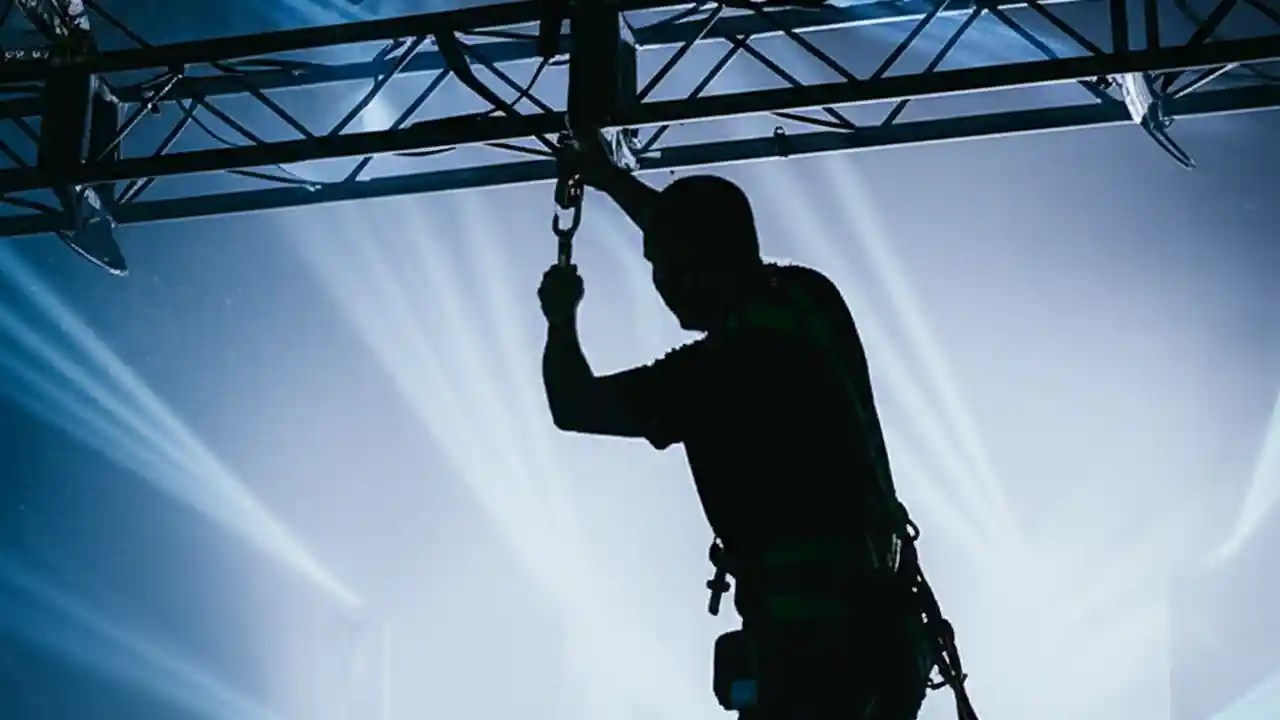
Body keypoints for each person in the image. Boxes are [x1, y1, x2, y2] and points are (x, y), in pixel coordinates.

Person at [538, 147, 936, 720]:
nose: (661, 283)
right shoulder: (809, 300)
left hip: (807, 661)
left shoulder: (713, 376)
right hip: (881, 640)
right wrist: (607, 180)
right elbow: (680, 224)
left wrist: (560, 317)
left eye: (663, 265)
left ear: (696, 262)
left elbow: (572, 404)